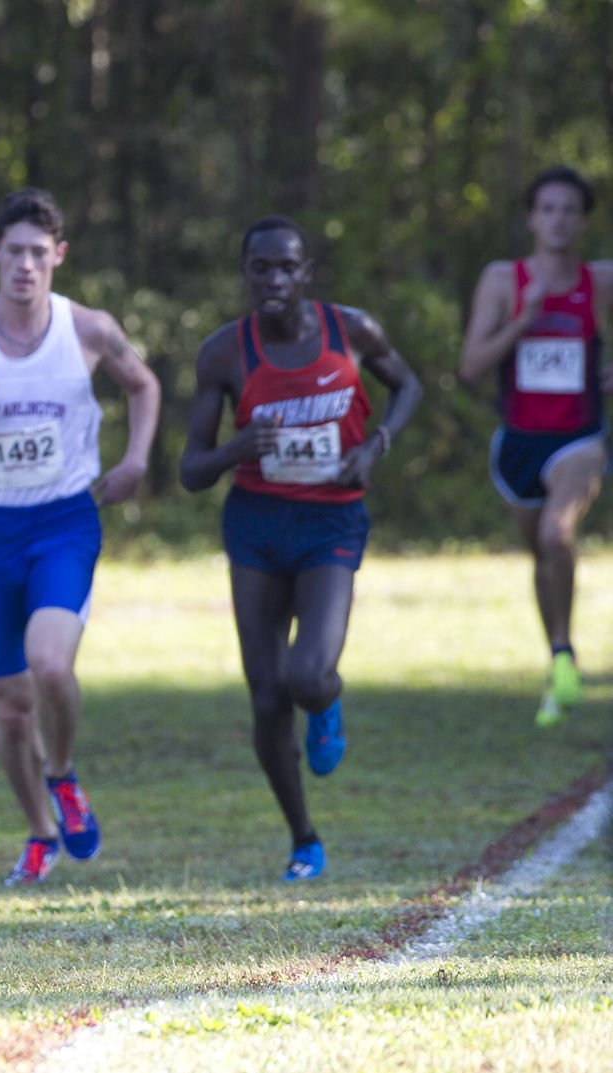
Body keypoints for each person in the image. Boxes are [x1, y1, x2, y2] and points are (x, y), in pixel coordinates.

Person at [0, 188, 160, 885]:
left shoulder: (86, 329)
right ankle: (37, 830)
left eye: (37, 253)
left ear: (58, 256)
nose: (25, 264)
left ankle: (62, 773)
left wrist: (136, 459)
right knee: (12, 709)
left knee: (50, 667)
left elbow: (143, 385)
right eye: (12, 251)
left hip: (63, 521)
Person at [179, 216, 422, 882]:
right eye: (260, 268)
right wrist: (236, 448)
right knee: (264, 700)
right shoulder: (224, 354)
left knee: (307, 676)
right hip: (256, 527)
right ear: (245, 274)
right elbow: (190, 471)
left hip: (330, 523)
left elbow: (408, 386)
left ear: (305, 272)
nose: (274, 280)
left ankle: (326, 705)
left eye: (286, 267)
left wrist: (374, 447)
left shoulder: (353, 331)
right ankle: (303, 837)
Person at [459, 165, 613, 727]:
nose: (558, 220)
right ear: (532, 217)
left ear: (583, 220)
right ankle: (560, 653)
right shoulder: (503, 280)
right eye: (548, 209)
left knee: (557, 533)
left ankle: (567, 660)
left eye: (569, 209)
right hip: (519, 444)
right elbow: (471, 368)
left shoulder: (600, 281)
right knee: (542, 558)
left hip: (580, 441)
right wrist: (521, 321)